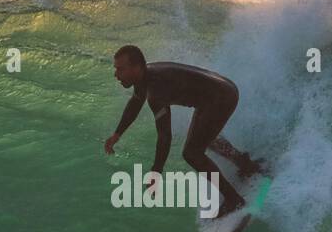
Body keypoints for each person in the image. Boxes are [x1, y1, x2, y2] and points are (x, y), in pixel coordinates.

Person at [104, 45, 267, 217]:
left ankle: (234, 200)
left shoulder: (156, 91)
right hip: (222, 90)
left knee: (192, 153)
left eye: (120, 69)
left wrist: (156, 172)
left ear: (136, 68)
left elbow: (164, 136)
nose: (116, 75)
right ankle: (245, 164)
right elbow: (136, 101)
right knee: (202, 138)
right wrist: (117, 134)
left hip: (221, 98)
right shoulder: (145, 75)